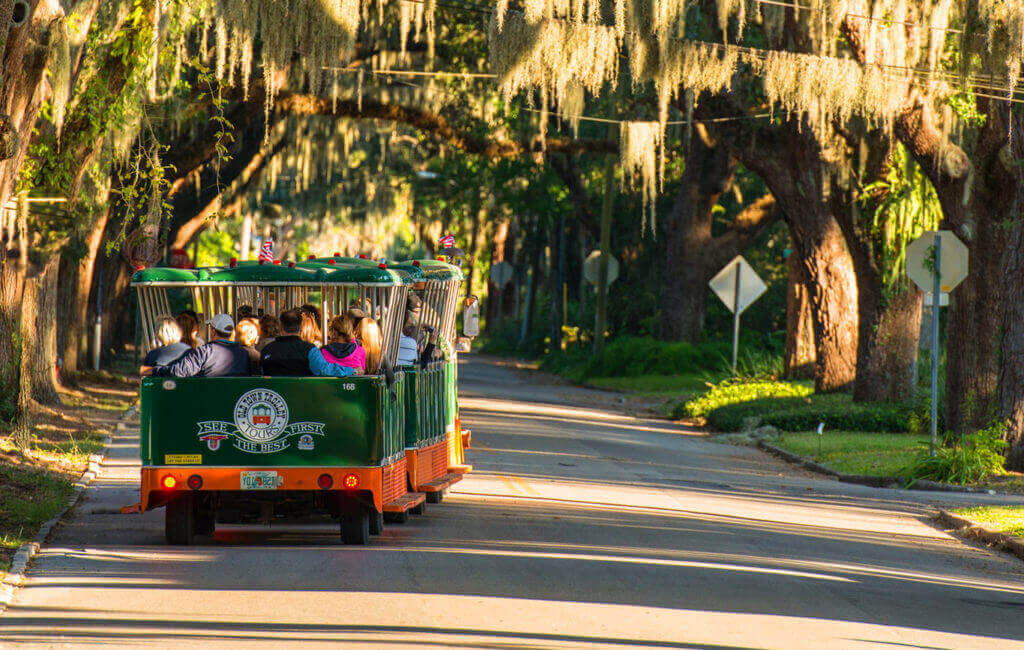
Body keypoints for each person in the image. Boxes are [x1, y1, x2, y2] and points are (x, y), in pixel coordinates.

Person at [142, 314, 250, 378]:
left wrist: (154, 370)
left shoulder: (205, 351)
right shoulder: (244, 354)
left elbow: (181, 371)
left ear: (213, 332)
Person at [260, 308, 315, 376]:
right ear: (301, 328)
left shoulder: (267, 349)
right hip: (303, 386)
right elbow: (324, 371)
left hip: (274, 386)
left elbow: (262, 372)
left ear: (280, 327)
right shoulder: (310, 350)